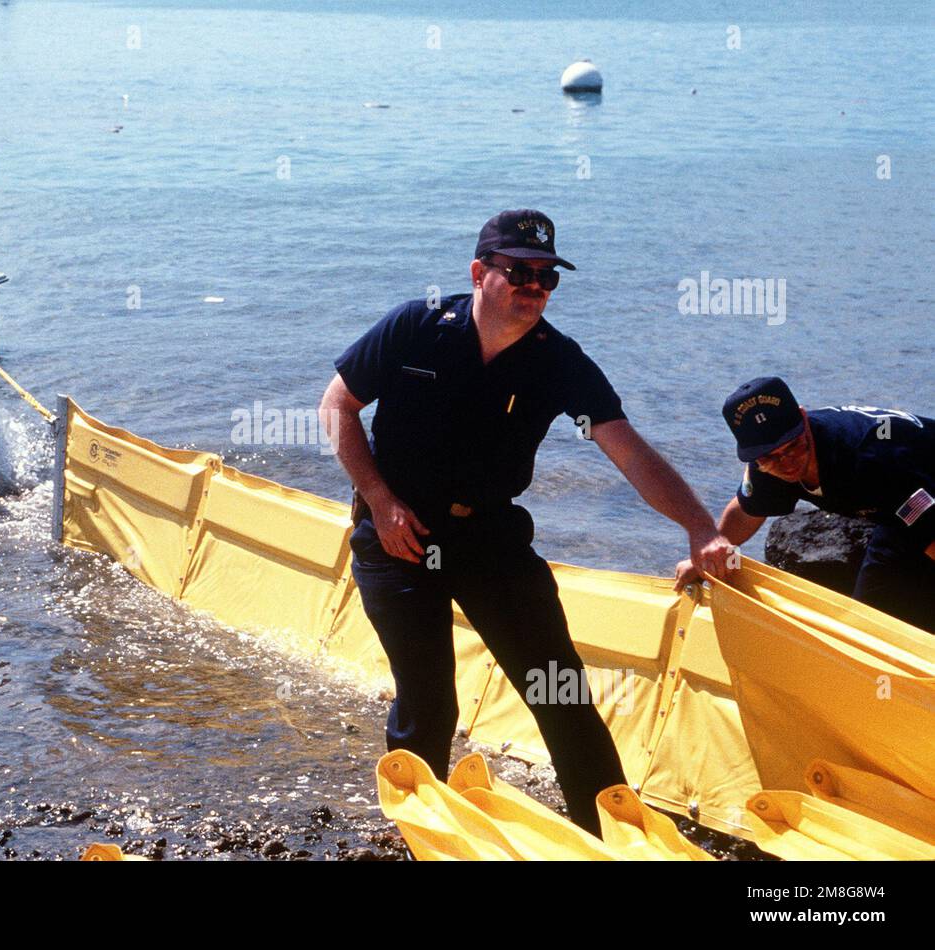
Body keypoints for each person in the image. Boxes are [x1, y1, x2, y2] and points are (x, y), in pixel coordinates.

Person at [319, 209, 731, 836]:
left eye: (547, 277)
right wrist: (378, 498)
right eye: (520, 272)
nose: (534, 286)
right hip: (399, 536)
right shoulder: (417, 327)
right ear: (479, 272)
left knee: (559, 691)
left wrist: (701, 527)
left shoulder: (557, 360)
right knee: (428, 701)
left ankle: (611, 835)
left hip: (490, 539)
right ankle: (423, 834)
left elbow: (628, 452)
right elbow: (337, 405)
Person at [676, 376, 935, 633]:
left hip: (921, 488)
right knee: (869, 623)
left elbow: (928, 529)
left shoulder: (871, 458)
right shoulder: (766, 462)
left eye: (793, 447)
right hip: (894, 513)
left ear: (803, 418)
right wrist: (707, 556)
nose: (786, 462)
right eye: (769, 457)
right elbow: (747, 512)